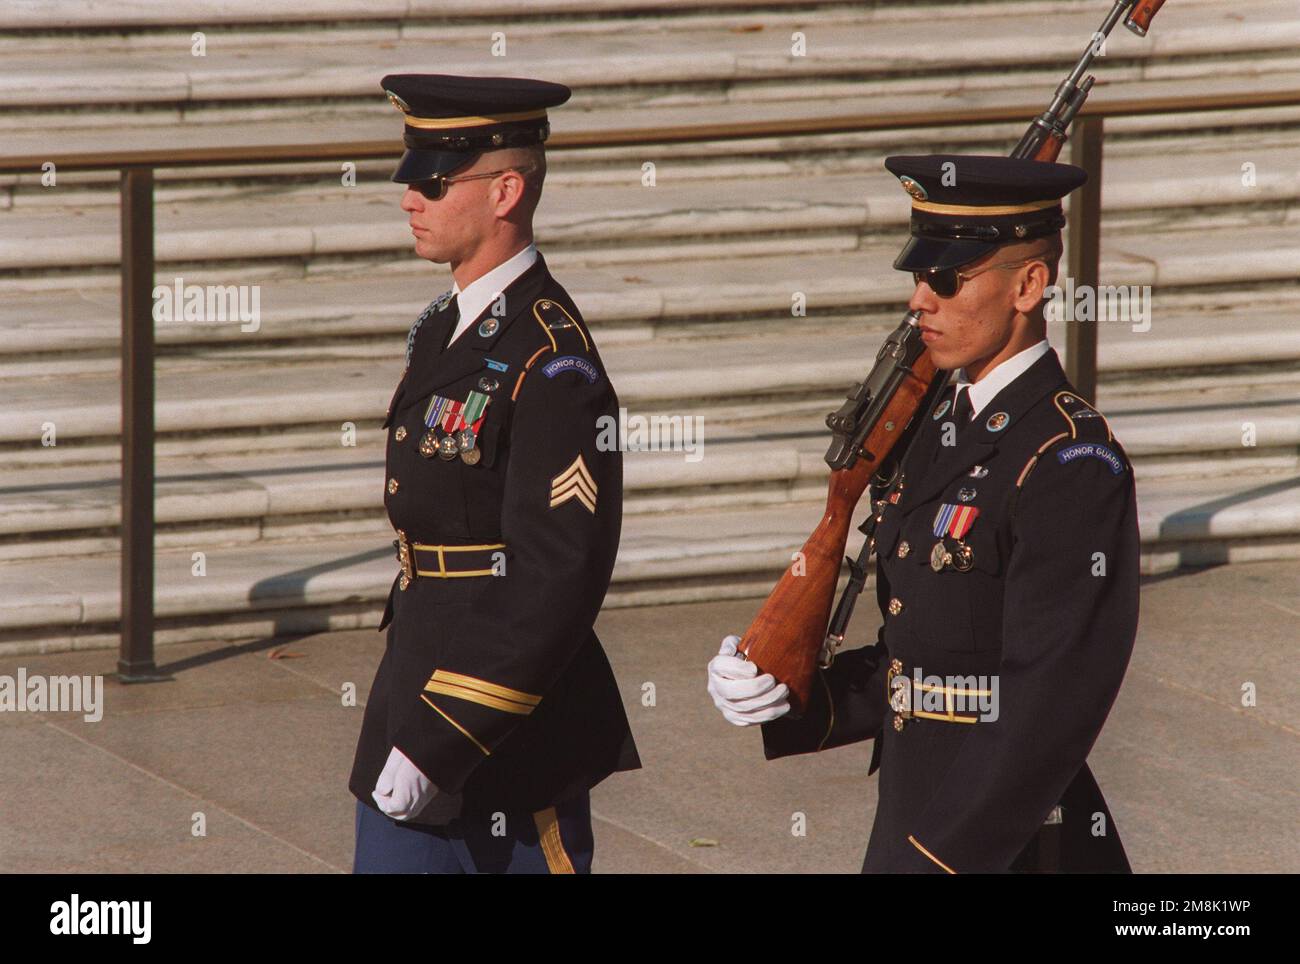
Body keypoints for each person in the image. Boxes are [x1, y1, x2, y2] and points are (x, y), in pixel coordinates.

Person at [707, 154, 1140, 873]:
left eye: (946, 279)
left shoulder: (1069, 461)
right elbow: (928, 660)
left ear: (1029, 285)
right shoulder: (939, 428)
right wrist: (794, 694)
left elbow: (1049, 702)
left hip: (998, 844)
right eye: (917, 277)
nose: (920, 301)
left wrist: (939, 858)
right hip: (912, 821)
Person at [349, 73, 640, 874]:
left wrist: (444, 739)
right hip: (414, 689)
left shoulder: (554, 359)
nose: (409, 197)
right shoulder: (445, 324)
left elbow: (558, 570)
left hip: (507, 733)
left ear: (506, 190)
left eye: (434, 182)